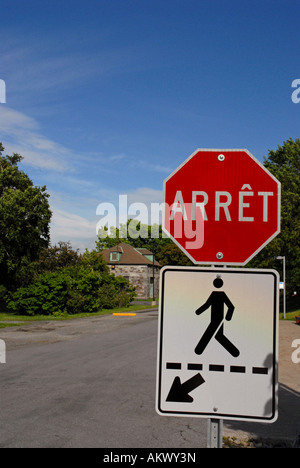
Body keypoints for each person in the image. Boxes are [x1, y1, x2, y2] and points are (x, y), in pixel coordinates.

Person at [194, 276, 240, 357]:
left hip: (218, 319)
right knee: (219, 336)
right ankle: (235, 352)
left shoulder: (218, 294)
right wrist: (198, 312)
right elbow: (207, 305)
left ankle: (198, 351)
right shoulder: (218, 294)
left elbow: (231, 307)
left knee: (210, 334)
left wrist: (228, 317)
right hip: (216, 318)